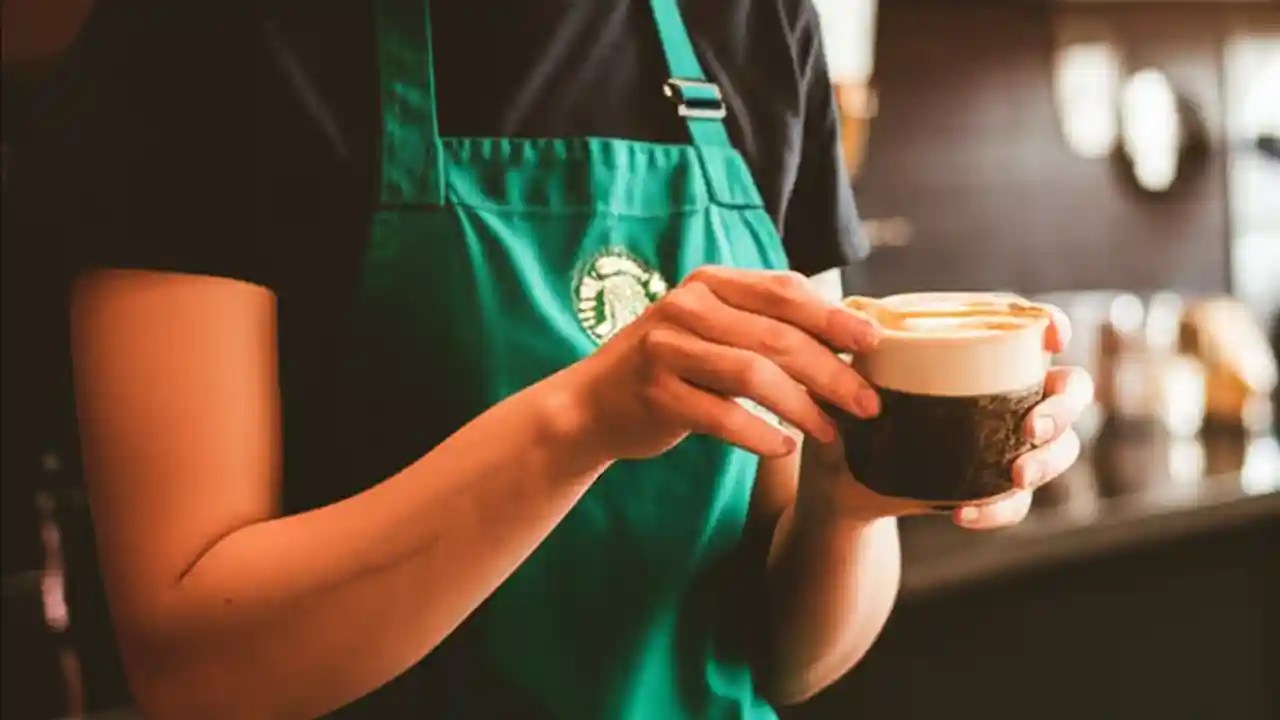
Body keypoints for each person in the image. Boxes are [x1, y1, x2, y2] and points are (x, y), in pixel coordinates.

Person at [14, 1, 1093, 718]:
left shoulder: (752, 23)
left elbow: (783, 656)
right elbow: (192, 666)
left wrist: (850, 502)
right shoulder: (200, 36)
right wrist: (578, 422)